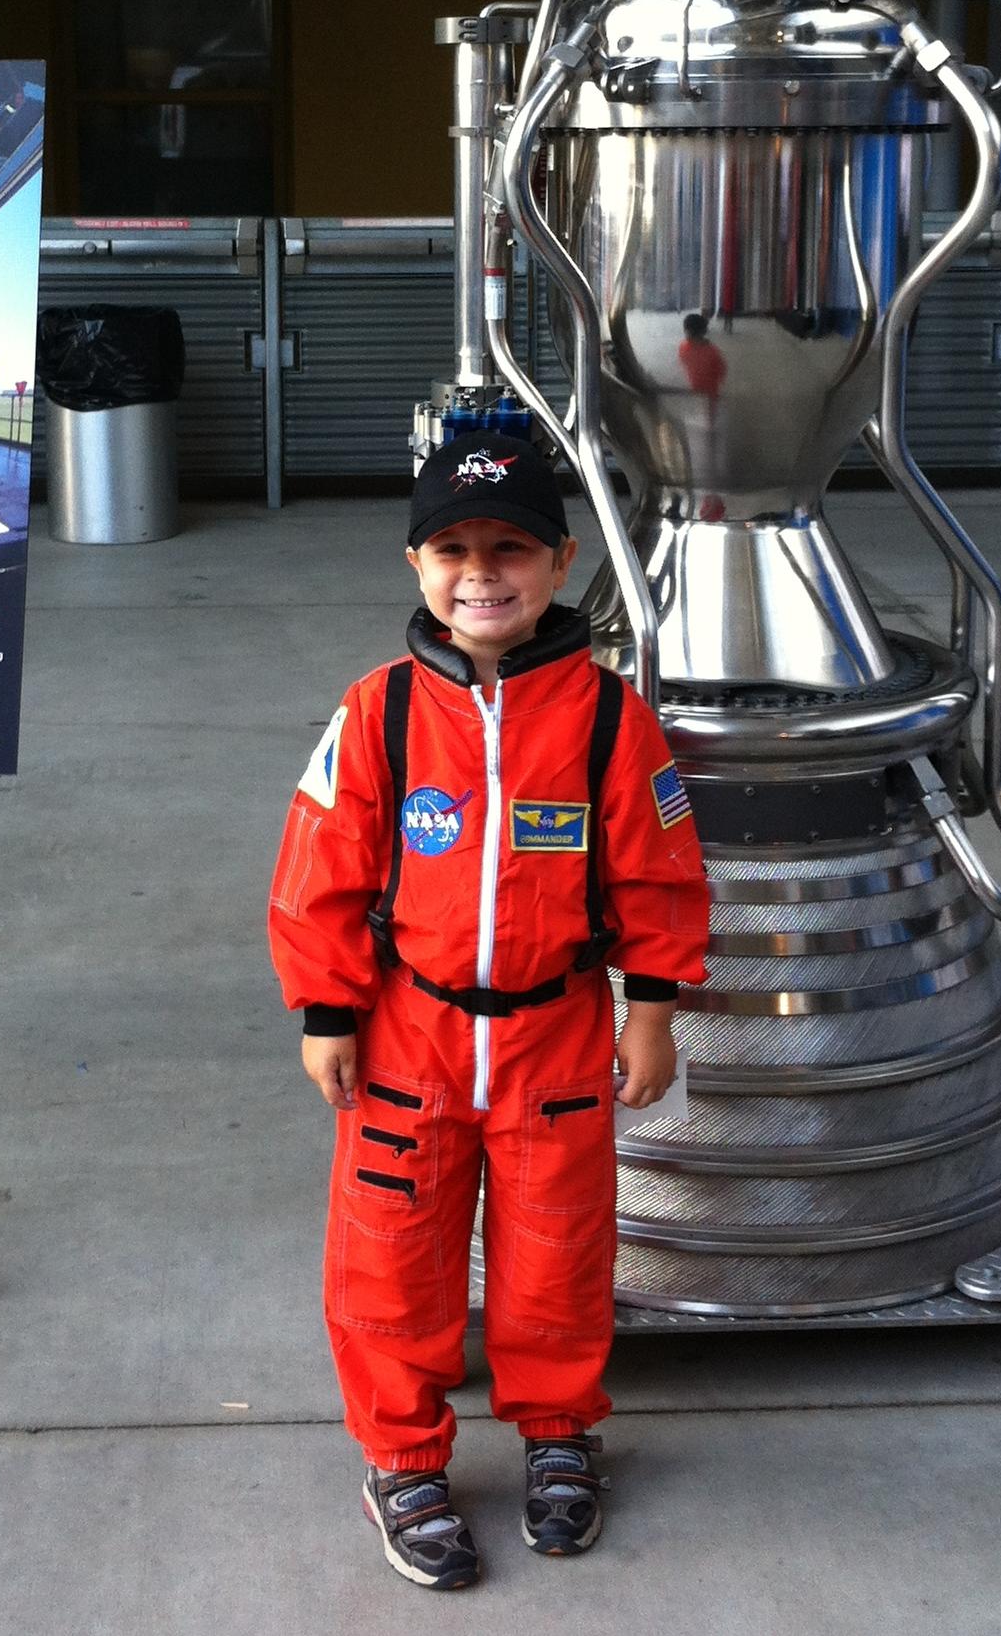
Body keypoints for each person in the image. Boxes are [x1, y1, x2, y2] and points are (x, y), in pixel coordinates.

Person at [268, 430, 710, 1590]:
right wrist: (326, 1009)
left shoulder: (610, 719)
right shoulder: (379, 714)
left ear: (560, 562)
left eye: (508, 547)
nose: (481, 571)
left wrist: (649, 1008)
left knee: (554, 1256)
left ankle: (558, 1433)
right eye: (452, 547)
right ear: (415, 564)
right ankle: (403, 1458)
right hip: (407, 1035)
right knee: (390, 1262)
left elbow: (660, 872)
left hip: (553, 1037)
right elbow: (319, 871)